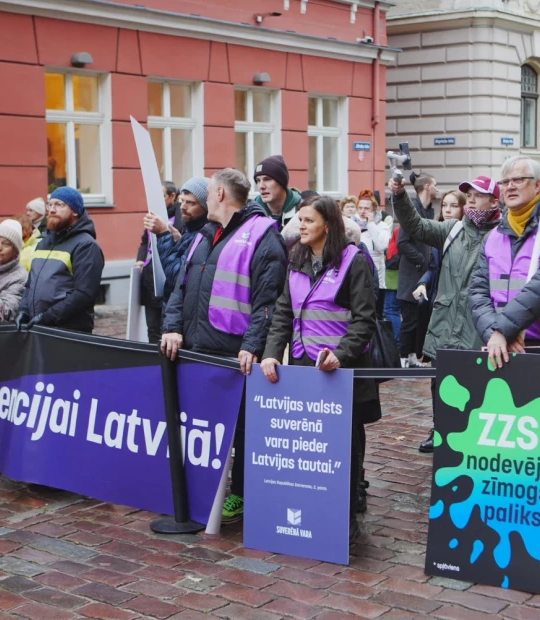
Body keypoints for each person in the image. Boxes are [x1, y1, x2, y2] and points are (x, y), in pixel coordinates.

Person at [160, 168, 287, 521]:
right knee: (200, 425)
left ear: (218, 194)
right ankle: (200, 489)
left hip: (233, 352)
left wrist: (253, 344)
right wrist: (172, 327)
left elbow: (269, 300)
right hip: (195, 347)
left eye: (210, 190)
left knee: (242, 428)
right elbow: (181, 287)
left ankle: (242, 492)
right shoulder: (203, 235)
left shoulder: (263, 236)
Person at [260, 195, 378, 542]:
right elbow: (284, 312)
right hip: (302, 365)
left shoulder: (354, 261)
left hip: (341, 369)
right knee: (311, 446)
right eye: (300, 219)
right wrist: (271, 353)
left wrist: (340, 354)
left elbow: (364, 320)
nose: (301, 226)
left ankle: (345, 515)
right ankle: (310, 507)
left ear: (328, 224)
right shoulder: (295, 258)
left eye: (309, 220)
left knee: (343, 444)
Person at [391, 173, 502, 452]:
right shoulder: (452, 229)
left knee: (478, 386)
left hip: (477, 327)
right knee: (439, 382)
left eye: (478, 195)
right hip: (444, 321)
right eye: (469, 195)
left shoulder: (501, 236)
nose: (472, 200)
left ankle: (473, 436)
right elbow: (415, 225)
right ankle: (439, 430)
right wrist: (400, 196)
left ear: (494, 201)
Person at [469, 157, 540, 370]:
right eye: (505, 182)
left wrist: (504, 330)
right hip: (500, 346)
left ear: (538, 185)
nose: (510, 187)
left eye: (519, 180)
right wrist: (493, 333)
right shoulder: (493, 236)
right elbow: (478, 291)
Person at [16, 187, 105, 334]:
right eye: (50, 205)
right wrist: (24, 310)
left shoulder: (86, 246)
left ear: (75, 211)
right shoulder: (43, 242)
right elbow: (30, 284)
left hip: (69, 333)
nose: (51, 210)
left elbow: (84, 294)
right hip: (39, 329)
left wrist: (47, 317)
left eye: (59, 204)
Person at [396, 174, 437, 368]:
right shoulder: (413, 209)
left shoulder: (428, 211)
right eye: (435, 185)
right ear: (427, 186)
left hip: (422, 275)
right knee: (409, 321)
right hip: (411, 276)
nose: (437, 189)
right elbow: (402, 242)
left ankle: (412, 357)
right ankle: (402, 358)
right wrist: (423, 261)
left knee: (417, 320)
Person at [152, 177, 210, 304]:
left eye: (191, 203)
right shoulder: (191, 229)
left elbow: (177, 278)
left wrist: (163, 235)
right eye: (182, 201)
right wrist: (178, 242)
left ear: (206, 206)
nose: (183, 207)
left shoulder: (205, 235)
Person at [134, 181, 180, 343]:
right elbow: (144, 241)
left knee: (166, 326)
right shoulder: (152, 216)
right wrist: (140, 260)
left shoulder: (180, 217)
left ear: (172, 196)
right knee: (152, 327)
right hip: (149, 276)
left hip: (168, 276)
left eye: (162, 196)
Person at [414, 190, 466, 305]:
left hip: (458, 299)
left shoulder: (466, 234)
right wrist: (422, 284)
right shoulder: (437, 231)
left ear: (463, 208)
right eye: (444, 205)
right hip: (438, 298)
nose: (447, 210)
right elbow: (433, 267)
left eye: (454, 206)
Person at [357, 189, 392, 300]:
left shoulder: (381, 226)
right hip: (357, 277)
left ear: (374, 210)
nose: (362, 211)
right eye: (360, 208)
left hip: (376, 280)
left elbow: (382, 245)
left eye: (366, 208)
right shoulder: (354, 226)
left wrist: (371, 224)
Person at [253, 155, 301, 228]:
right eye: (258, 180)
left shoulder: (302, 210)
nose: (261, 186)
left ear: (281, 182)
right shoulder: (251, 213)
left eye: (267, 179)